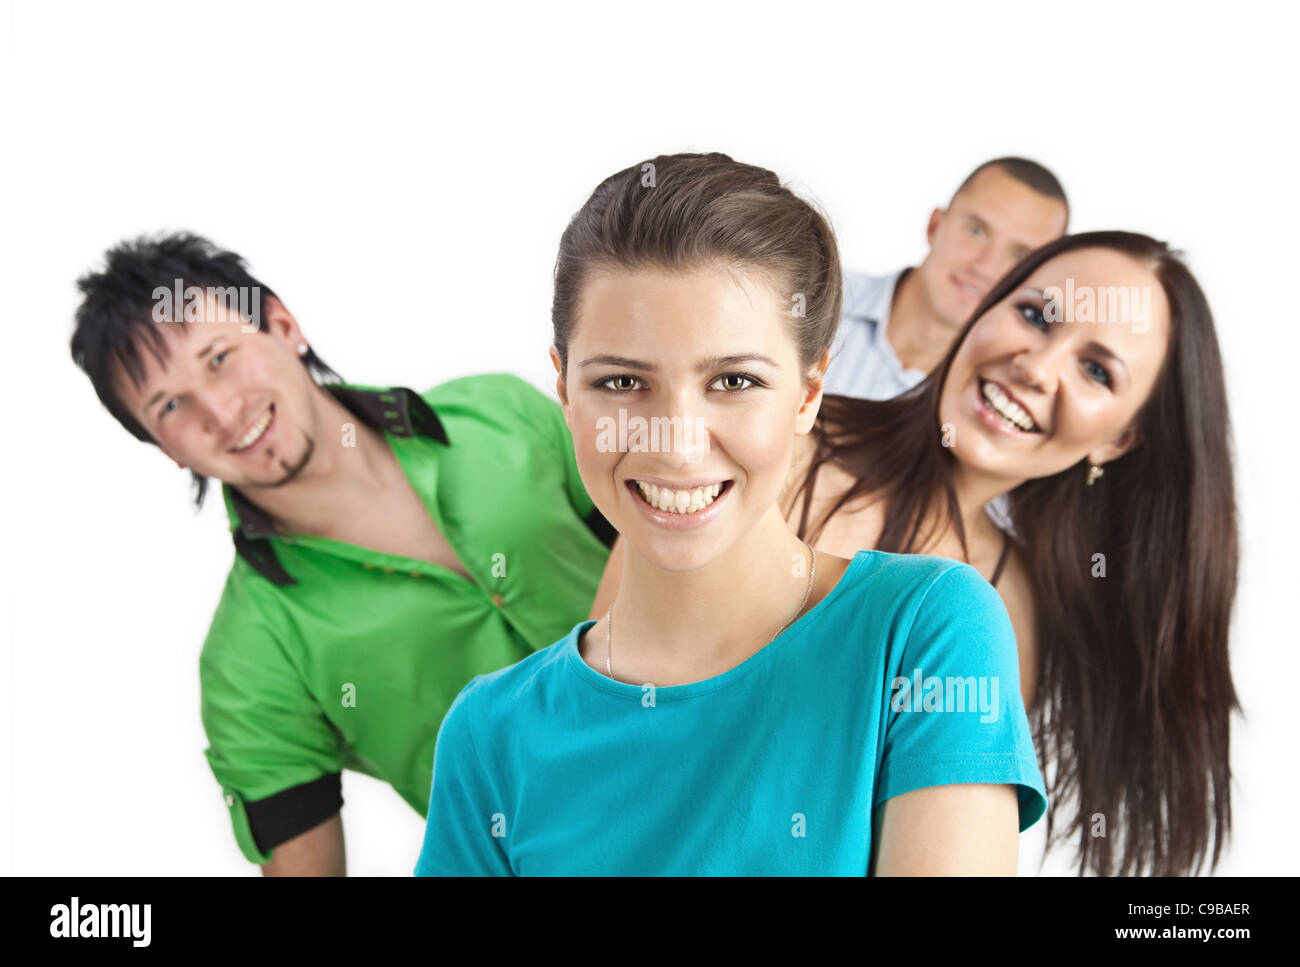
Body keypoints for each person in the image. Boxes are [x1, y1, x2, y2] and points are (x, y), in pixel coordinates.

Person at [415, 153, 1046, 876]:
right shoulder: (490, 732)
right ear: (563, 387)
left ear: (809, 394)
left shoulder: (926, 630)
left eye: (734, 381)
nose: (678, 441)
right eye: (622, 381)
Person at [69, 233, 615, 875]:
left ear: (281, 325)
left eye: (219, 358)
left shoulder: (503, 413)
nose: (219, 411)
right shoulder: (249, 663)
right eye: (170, 406)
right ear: (167, 449)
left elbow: (685, 540)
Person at [786, 230, 1239, 876]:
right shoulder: (787, 441)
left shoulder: (1007, 610)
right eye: (1034, 314)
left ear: (1119, 439)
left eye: (1096, 369)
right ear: (985, 307)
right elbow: (607, 691)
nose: (1036, 366)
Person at [825, 157, 1068, 401]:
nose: (985, 267)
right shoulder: (812, 295)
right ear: (935, 226)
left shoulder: (996, 403)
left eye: (1019, 256)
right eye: (976, 231)